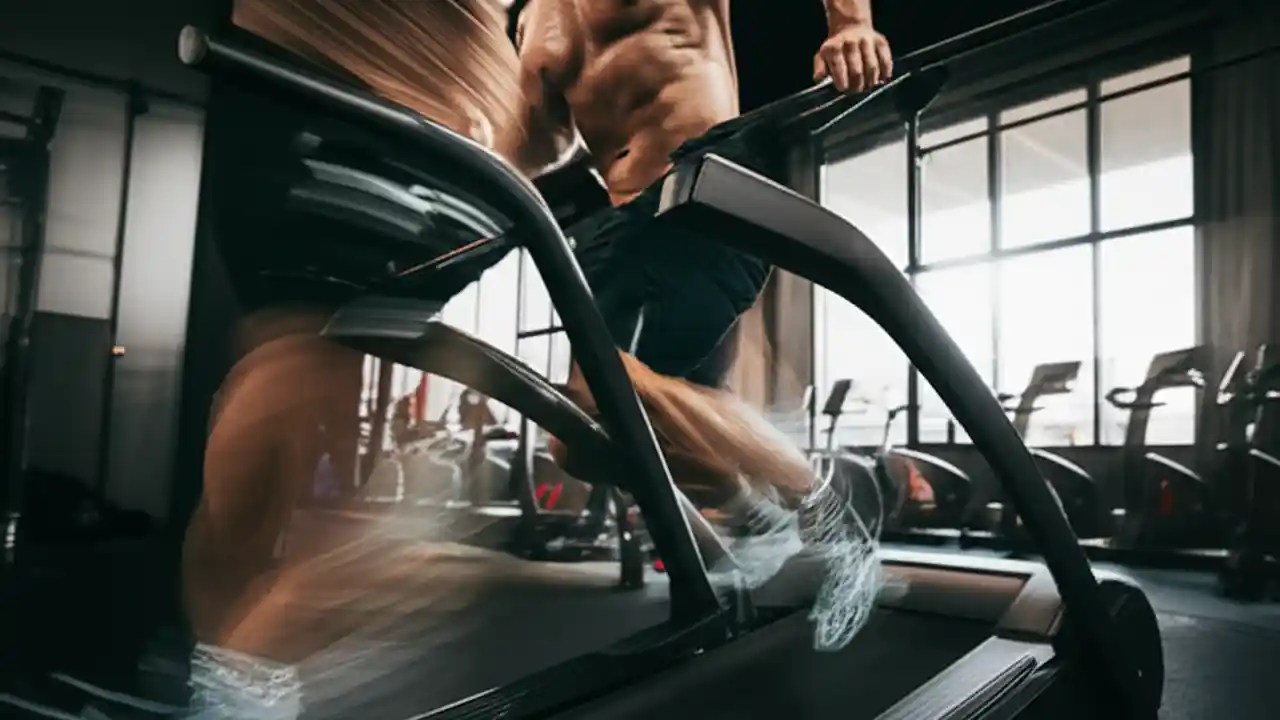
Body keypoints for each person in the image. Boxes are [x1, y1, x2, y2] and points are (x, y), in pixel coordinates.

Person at [513, 0, 894, 503]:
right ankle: (760, 510)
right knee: (586, 444)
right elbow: (538, 146)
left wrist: (851, 25)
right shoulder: (533, 18)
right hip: (620, 228)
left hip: (699, 185)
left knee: (595, 405)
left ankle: (818, 499)